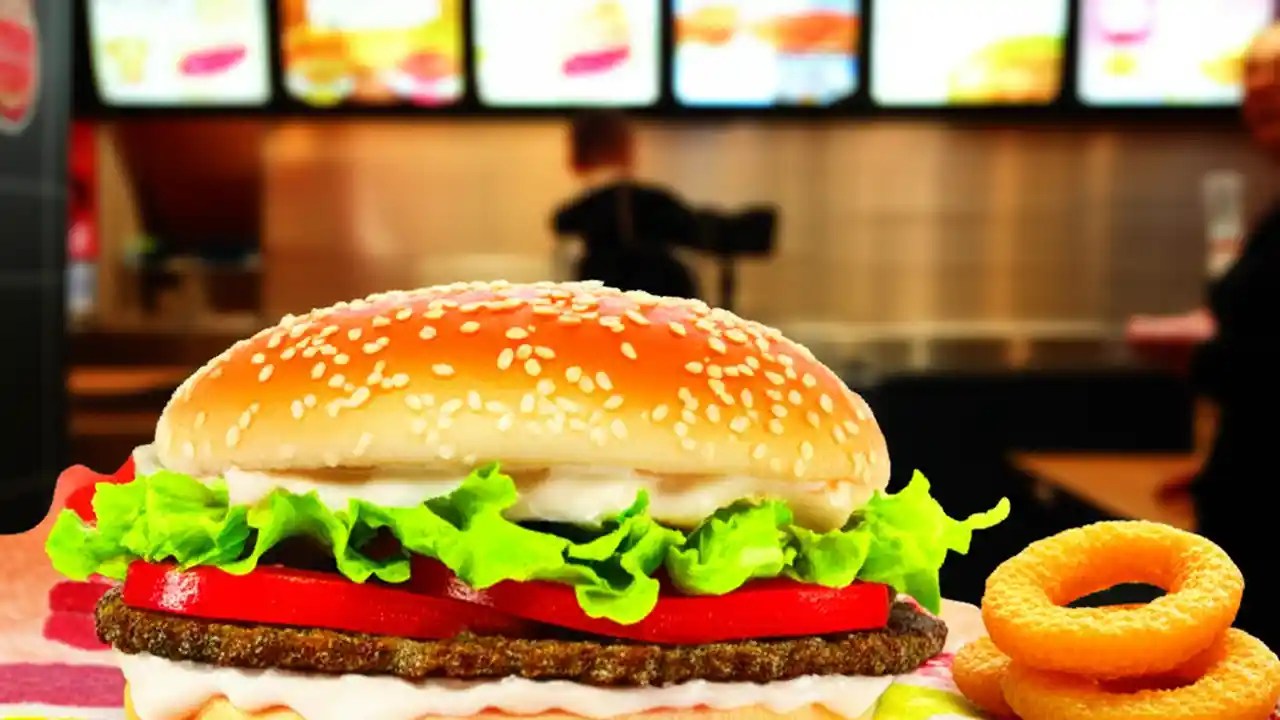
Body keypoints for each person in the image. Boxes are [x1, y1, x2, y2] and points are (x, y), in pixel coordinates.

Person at [1187, 25, 1280, 649]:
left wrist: (1202, 357)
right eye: (1250, 81)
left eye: (1271, 83)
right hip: (1247, 476)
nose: (1256, 98)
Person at [552, 111, 701, 298]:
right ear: (628, 151)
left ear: (574, 156)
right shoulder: (662, 204)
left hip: (602, 310)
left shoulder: (568, 219)